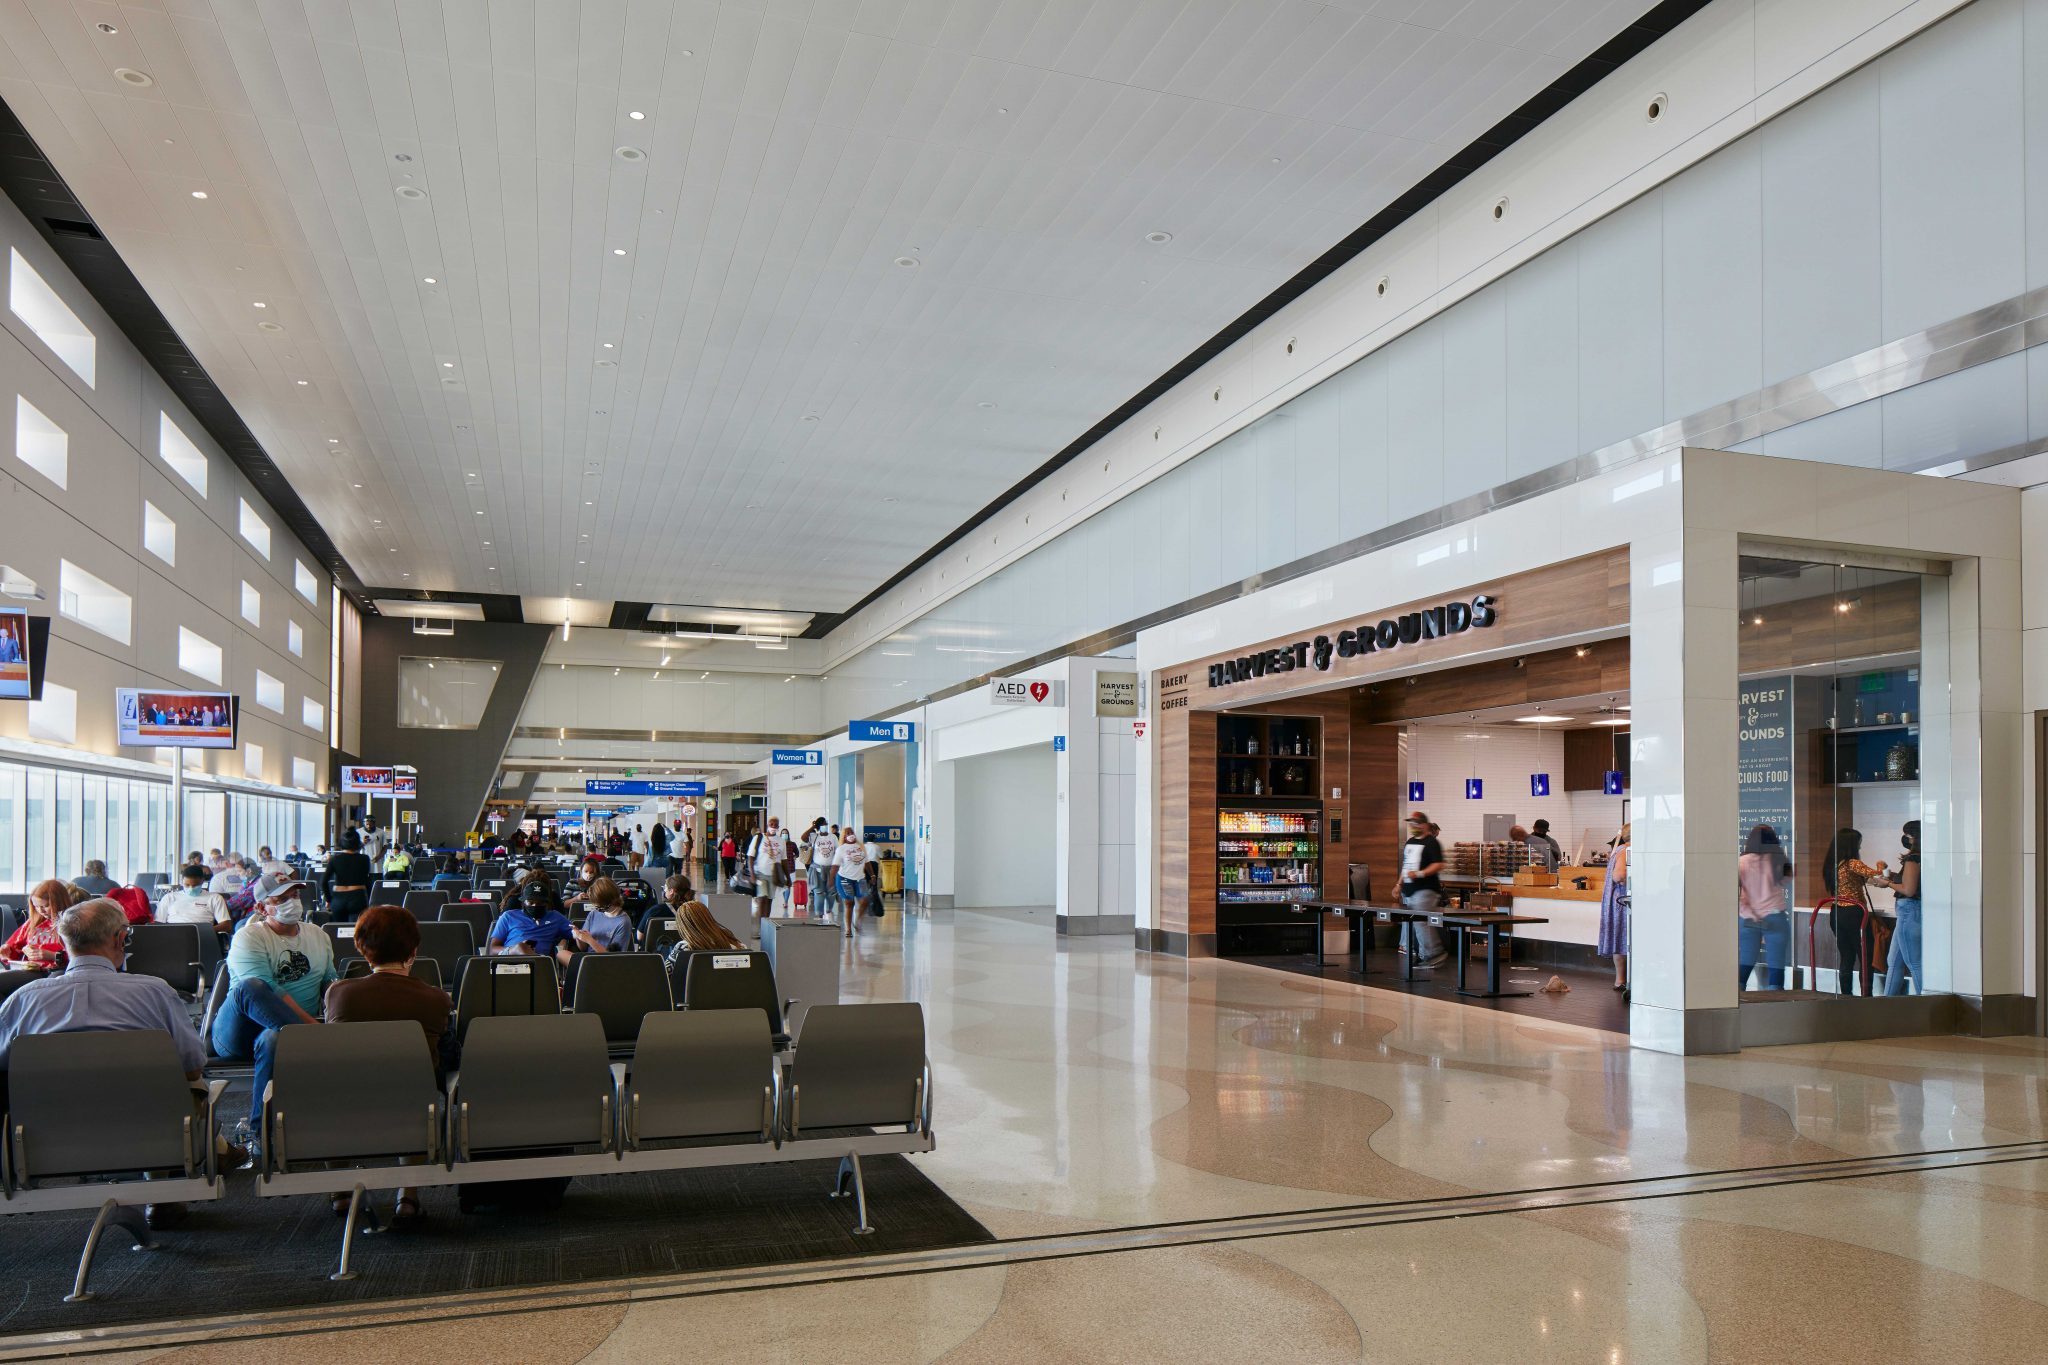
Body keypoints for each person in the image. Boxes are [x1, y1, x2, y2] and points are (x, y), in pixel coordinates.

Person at [0, 897, 219, 1226]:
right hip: (150, 1138)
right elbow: (192, 1067)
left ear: (64, 942)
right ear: (120, 938)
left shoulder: (23, 1000)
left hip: (45, 1145)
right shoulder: (155, 993)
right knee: (186, 1088)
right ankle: (161, 1190)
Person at [323, 904, 449, 1222]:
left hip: (344, 1106)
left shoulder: (338, 994)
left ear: (363, 950)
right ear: (414, 950)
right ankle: (407, 1195)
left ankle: (340, 1190)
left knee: (336, 1086)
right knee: (414, 1086)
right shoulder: (436, 999)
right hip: (412, 1107)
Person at [212, 878, 338, 1145]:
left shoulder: (318, 935)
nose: (292, 903)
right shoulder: (250, 936)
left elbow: (330, 981)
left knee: (274, 1038)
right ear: (261, 906)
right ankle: (315, 1041)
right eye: (281, 900)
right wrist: (316, 1033)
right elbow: (269, 991)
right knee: (251, 987)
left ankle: (263, 1135)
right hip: (238, 1032)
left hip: (281, 1032)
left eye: (294, 896)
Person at [1823, 828, 1886, 997]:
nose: (1859, 847)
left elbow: (1856, 880)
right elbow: (1876, 873)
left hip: (1837, 913)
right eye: (1858, 843)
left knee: (1846, 956)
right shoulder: (1852, 863)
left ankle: (1845, 995)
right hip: (1854, 913)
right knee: (1865, 955)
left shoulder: (1833, 863)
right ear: (1851, 844)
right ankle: (1866, 995)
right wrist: (1881, 865)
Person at [1737, 825, 1792, 991]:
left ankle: (1738, 995)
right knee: (1776, 961)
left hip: (1748, 918)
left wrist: (1750, 912)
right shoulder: (1778, 860)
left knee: (1746, 957)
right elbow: (1786, 880)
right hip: (1775, 916)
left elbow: (1733, 891)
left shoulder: (1741, 862)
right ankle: (1775, 999)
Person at [1395, 812, 1447, 968]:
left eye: (1416, 823)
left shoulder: (1431, 843)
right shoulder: (1410, 842)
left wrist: (1419, 873)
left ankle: (1434, 954)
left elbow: (1438, 864)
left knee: (1420, 921)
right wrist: (1398, 884)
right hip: (1409, 890)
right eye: (1411, 823)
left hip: (1426, 890)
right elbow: (1406, 866)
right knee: (1414, 922)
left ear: (1424, 825)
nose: (1413, 826)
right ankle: (1424, 955)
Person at [1880, 821, 1924, 995]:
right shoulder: (1926, 856)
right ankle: (1887, 1002)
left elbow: (1909, 889)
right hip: (1912, 912)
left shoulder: (1914, 858)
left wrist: (1888, 883)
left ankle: (1926, 1002)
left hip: (1909, 911)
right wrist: (1891, 877)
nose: (1905, 838)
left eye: (1908, 835)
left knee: (1914, 962)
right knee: (1894, 961)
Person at [486, 877, 577, 957]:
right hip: (509, 962)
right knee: (521, 947)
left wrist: (576, 934)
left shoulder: (555, 917)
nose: (535, 905)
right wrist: (515, 950)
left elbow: (576, 934)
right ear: (523, 902)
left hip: (541, 967)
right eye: (530, 902)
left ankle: (536, 960)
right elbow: (492, 950)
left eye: (540, 903)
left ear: (546, 904)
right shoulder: (508, 916)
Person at [2, 879, 72, 972]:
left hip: (59, 971)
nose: (40, 911)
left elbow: (83, 956)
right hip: (31, 970)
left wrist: (53, 956)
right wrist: (7, 952)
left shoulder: (73, 923)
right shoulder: (33, 923)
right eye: (36, 906)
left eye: (45, 906)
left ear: (59, 902)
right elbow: (13, 950)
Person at [1598, 823, 1630, 993]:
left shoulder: (1618, 849)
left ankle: (1620, 980)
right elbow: (1620, 875)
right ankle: (1623, 980)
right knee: (1625, 937)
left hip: (1615, 899)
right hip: (1623, 901)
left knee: (1619, 937)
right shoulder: (1627, 851)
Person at [158, 863, 231, 934]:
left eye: (195, 885)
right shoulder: (169, 897)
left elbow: (226, 925)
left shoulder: (215, 898)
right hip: (174, 934)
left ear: (202, 881)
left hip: (202, 935)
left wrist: (204, 930)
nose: (191, 888)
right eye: (187, 885)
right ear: (182, 881)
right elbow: (158, 922)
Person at [322, 831, 373, 923]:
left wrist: (328, 899)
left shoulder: (335, 859)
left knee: (338, 929)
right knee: (357, 929)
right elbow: (367, 881)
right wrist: (368, 900)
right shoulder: (364, 859)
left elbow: (324, 882)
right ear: (357, 843)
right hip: (357, 897)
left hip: (338, 898)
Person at [831, 828, 870, 935]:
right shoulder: (841, 849)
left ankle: (858, 921)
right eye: (848, 833)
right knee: (849, 903)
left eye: (852, 832)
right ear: (844, 836)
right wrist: (831, 879)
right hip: (845, 878)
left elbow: (867, 862)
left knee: (865, 901)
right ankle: (848, 929)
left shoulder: (861, 847)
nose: (850, 835)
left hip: (860, 879)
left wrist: (873, 874)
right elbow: (835, 866)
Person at [808, 819, 837, 917]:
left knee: (831, 892)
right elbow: (803, 838)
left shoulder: (833, 837)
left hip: (831, 870)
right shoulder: (814, 836)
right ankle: (818, 913)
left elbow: (837, 852)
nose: (825, 826)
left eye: (826, 824)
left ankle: (829, 909)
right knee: (819, 892)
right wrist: (812, 827)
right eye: (823, 824)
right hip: (817, 870)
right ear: (819, 826)